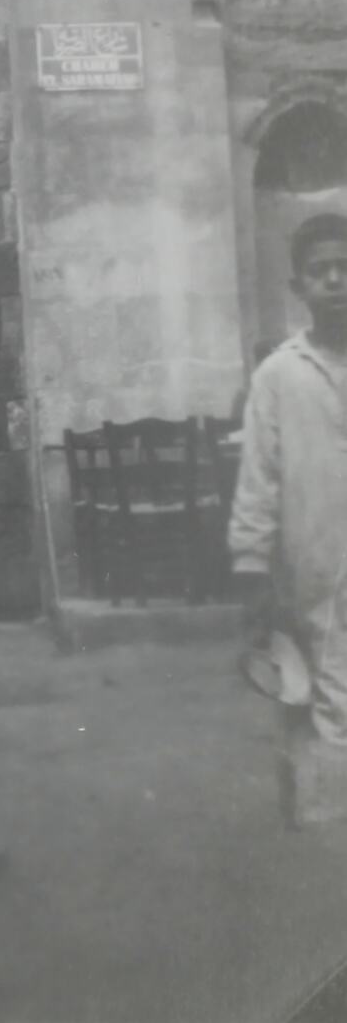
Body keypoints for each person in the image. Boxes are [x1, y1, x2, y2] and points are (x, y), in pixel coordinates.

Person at [229, 213, 347, 826]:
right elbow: (259, 479)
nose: (335, 280)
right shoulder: (279, 375)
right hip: (311, 570)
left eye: (344, 267)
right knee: (312, 696)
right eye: (320, 270)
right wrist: (253, 568)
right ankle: (318, 825)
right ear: (298, 285)